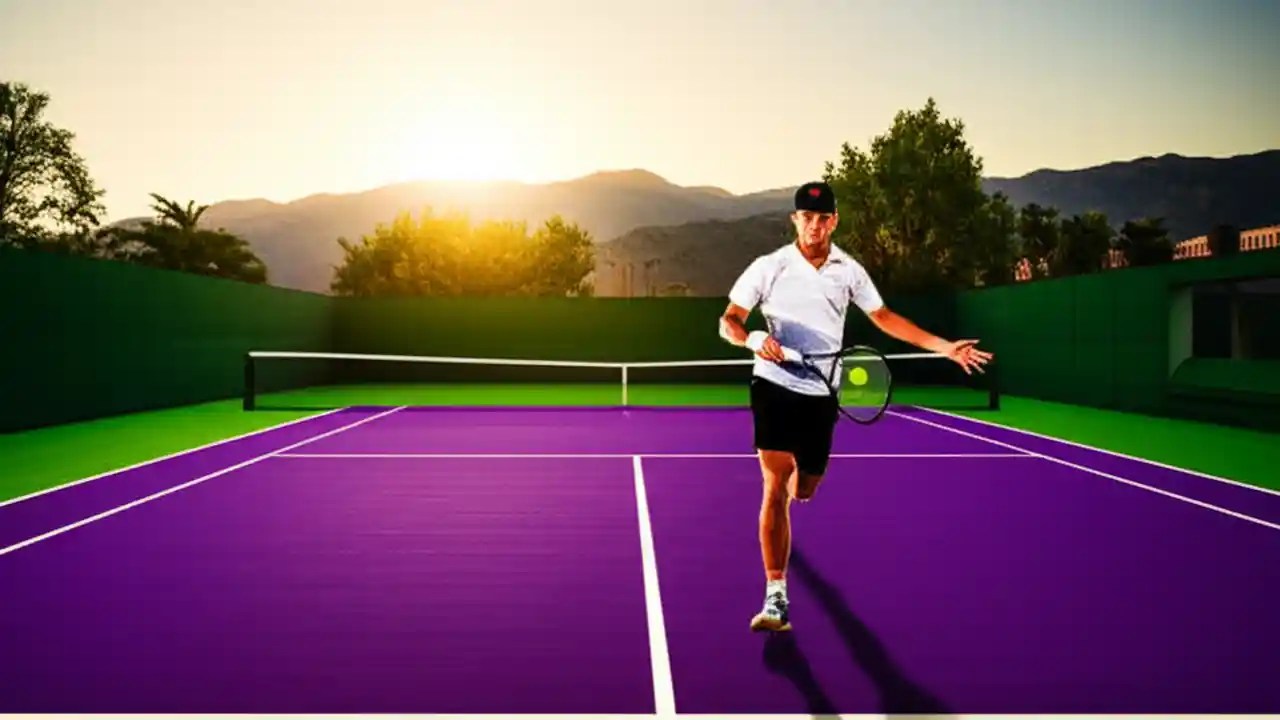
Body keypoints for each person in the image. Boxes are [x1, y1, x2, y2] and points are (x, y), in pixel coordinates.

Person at [718, 180, 993, 632]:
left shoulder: (849, 271)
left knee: (803, 488)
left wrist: (944, 347)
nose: (814, 226)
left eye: (823, 218)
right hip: (772, 382)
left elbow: (884, 318)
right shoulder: (768, 267)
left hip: (823, 391)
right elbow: (728, 321)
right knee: (773, 482)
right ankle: (776, 596)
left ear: (834, 221)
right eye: (806, 218)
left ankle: (793, 499)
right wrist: (753, 338)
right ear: (795, 220)